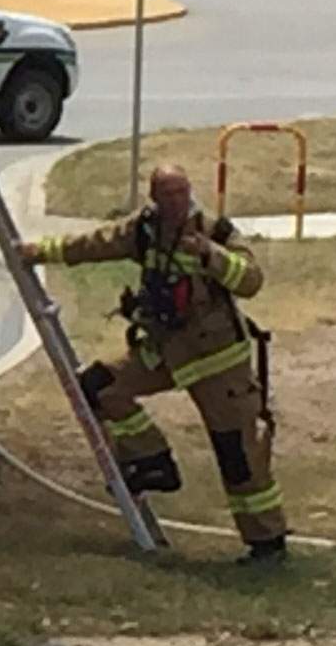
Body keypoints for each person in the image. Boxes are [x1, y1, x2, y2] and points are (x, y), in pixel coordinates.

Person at [20, 165, 286, 564]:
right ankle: (152, 461)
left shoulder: (215, 231)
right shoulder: (145, 231)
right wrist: (40, 252)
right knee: (97, 385)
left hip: (218, 362)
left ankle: (268, 543)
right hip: (166, 352)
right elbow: (96, 243)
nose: (177, 203)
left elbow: (251, 280)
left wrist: (210, 256)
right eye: (168, 195)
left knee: (238, 457)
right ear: (154, 198)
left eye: (182, 193)